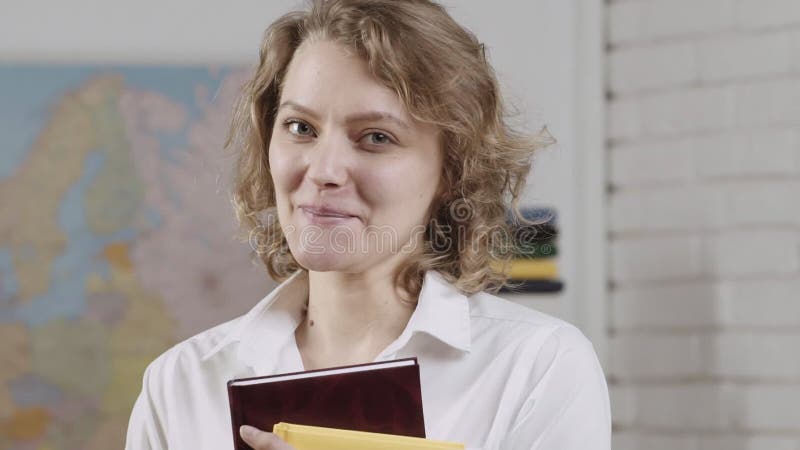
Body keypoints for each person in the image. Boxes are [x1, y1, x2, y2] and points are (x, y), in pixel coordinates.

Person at [125, 0, 611, 449]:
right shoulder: (181, 383)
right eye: (301, 128)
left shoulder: (536, 368)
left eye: (376, 137)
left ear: (451, 172)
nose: (323, 170)